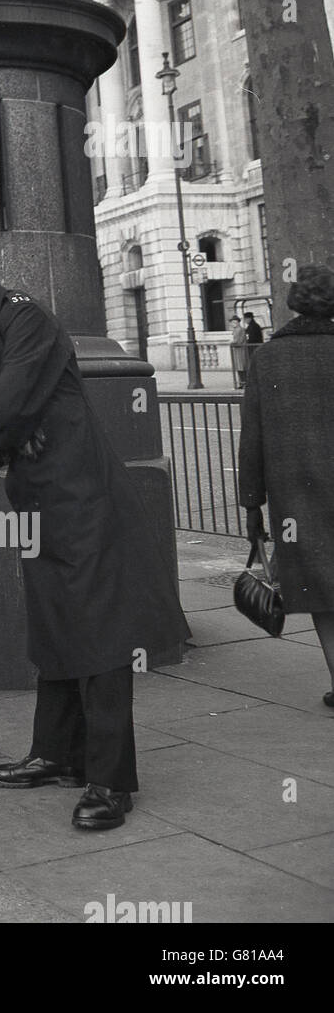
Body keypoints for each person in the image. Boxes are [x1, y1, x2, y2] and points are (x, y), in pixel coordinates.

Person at [0, 226, 189, 831]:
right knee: (55, 622)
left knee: (101, 633)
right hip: (38, 494)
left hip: (83, 496)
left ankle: (111, 781)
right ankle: (57, 752)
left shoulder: (24, 319)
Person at [238, 264, 334, 708]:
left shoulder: (268, 357)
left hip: (299, 498)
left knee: (321, 590)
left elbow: (252, 437)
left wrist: (252, 504)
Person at [229, 316, 248, 389]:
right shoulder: (238, 329)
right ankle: (242, 383)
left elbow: (237, 341)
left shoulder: (238, 330)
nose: (232, 324)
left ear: (237, 322)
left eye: (233, 322)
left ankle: (243, 383)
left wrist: (231, 343)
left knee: (241, 367)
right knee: (240, 367)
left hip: (240, 350)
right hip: (239, 350)